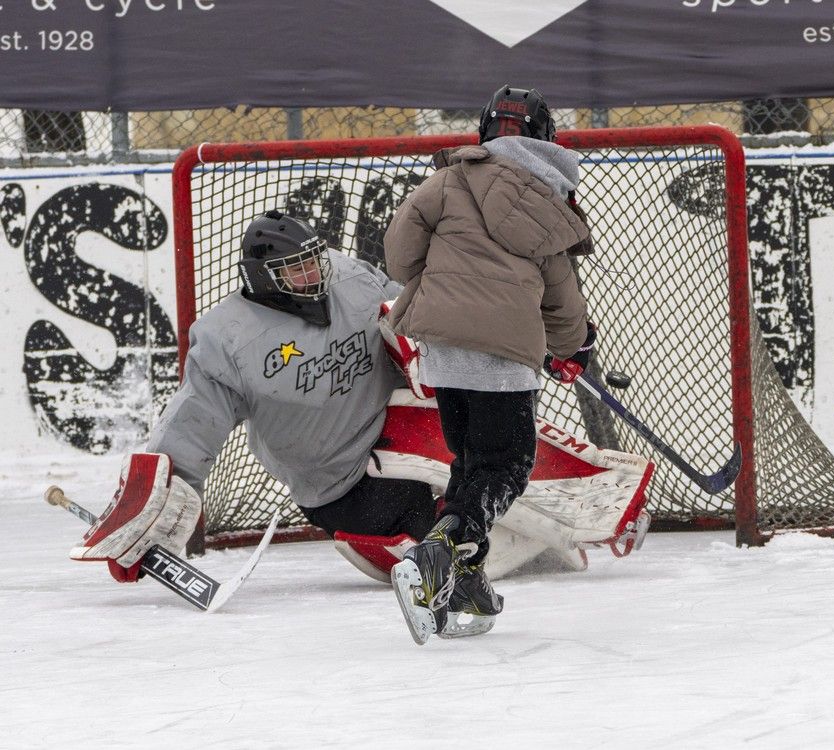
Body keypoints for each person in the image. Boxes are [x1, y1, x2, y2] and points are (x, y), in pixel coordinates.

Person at [71, 210, 438, 582]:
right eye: (296, 268)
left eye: (314, 260)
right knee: (435, 544)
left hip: (407, 431)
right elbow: (188, 432)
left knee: (479, 475)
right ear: (262, 277)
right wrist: (151, 525)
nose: (313, 274)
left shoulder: (352, 277)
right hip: (339, 482)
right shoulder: (227, 340)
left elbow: (413, 319)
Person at [383, 84, 599, 644]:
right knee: (506, 466)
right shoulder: (548, 197)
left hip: (444, 350)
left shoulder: (447, 179)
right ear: (545, 137)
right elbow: (561, 296)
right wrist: (572, 345)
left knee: (471, 462)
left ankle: (463, 582)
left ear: (484, 132)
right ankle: (446, 548)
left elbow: (401, 254)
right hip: (503, 354)